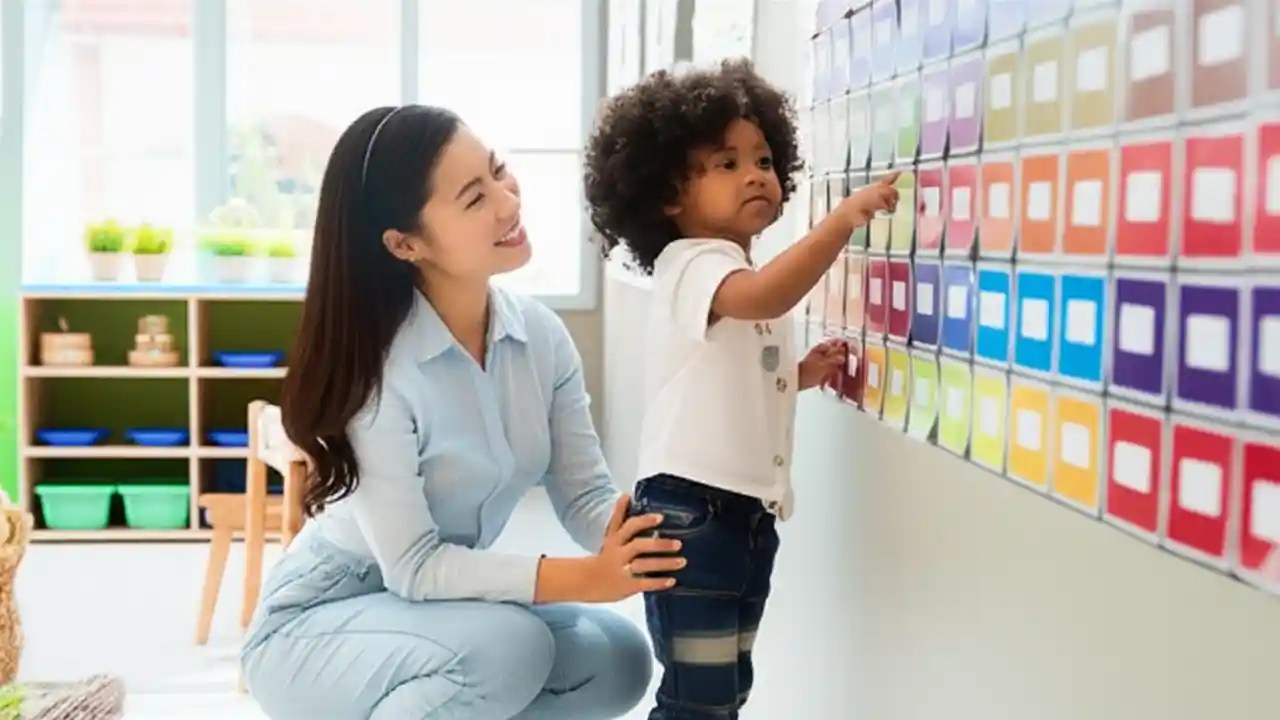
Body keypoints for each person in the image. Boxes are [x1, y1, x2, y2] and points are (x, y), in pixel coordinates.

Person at [240, 104, 687, 720]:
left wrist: (668, 534)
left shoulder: (541, 337)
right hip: (318, 627)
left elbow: (585, 498)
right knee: (509, 648)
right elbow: (416, 569)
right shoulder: (382, 376)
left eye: (498, 172)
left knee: (615, 660)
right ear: (406, 244)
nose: (508, 202)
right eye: (475, 199)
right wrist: (589, 578)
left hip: (443, 615)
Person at [583, 59, 899, 718]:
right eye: (725, 163)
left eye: (762, 158)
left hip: (744, 517)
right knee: (697, 696)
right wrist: (840, 224)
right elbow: (762, 297)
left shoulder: (728, 268)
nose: (755, 173)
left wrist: (800, 375)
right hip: (689, 517)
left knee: (724, 686)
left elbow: (738, 374)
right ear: (669, 196)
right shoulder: (691, 263)